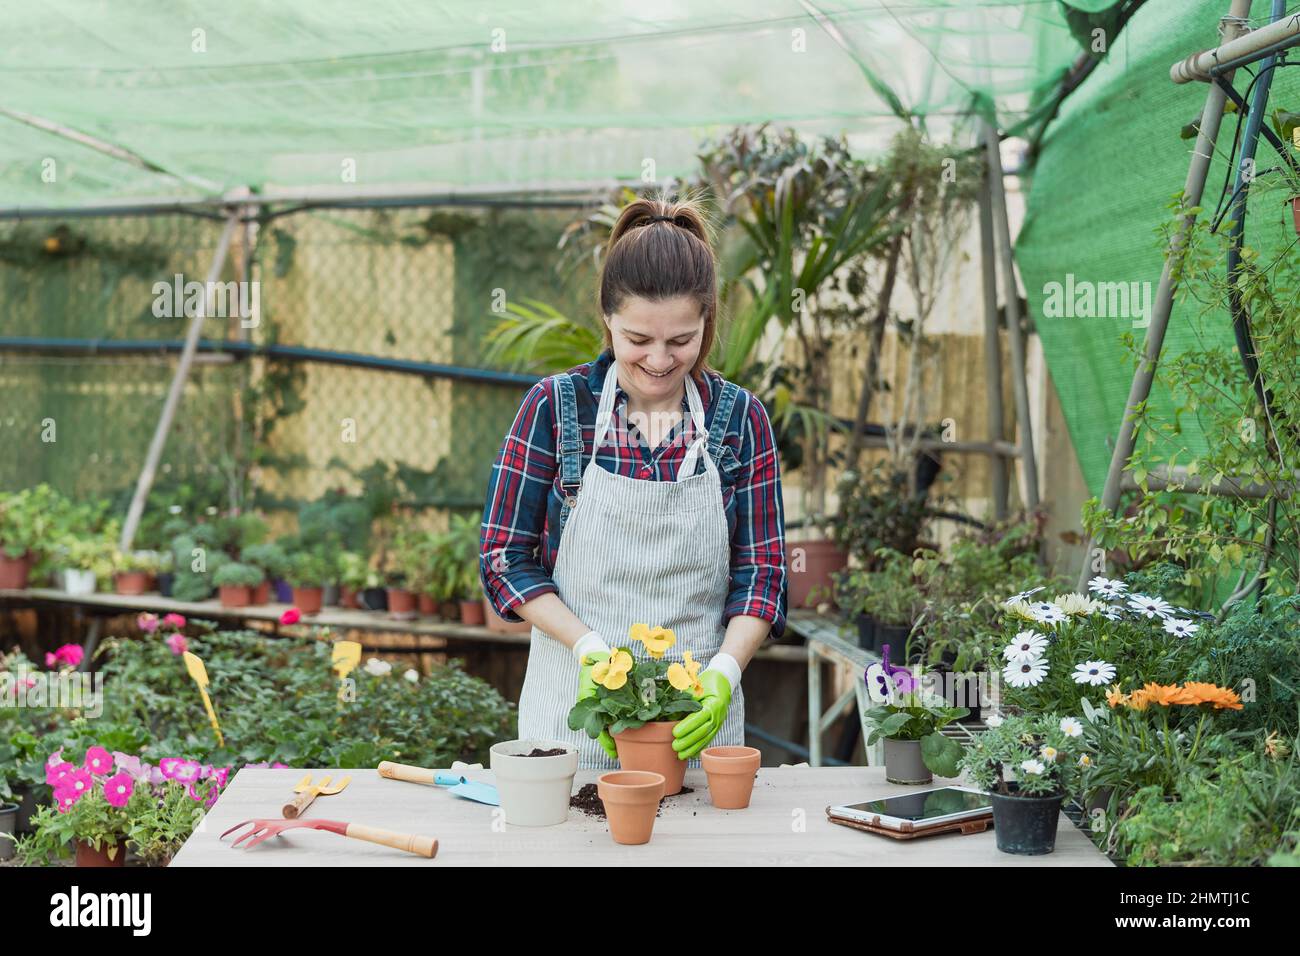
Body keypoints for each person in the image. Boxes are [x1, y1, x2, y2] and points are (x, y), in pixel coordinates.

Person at [480, 195, 787, 769]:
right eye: (637, 339)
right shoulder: (555, 410)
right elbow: (504, 559)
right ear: (607, 319)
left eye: (681, 340)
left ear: (707, 321)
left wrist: (723, 674)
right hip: (571, 725)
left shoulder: (740, 421)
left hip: (695, 729)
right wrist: (590, 649)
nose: (659, 360)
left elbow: (763, 574)